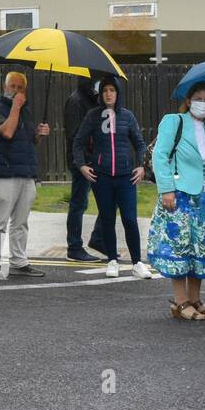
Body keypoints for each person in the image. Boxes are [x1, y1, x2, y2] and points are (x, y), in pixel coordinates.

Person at [146, 81, 205, 321]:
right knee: (179, 248)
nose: (203, 103)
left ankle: (195, 299)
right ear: (188, 100)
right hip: (179, 195)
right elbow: (160, 156)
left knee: (201, 249)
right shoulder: (174, 121)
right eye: (199, 98)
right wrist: (166, 190)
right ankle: (180, 301)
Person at [74, 77, 151, 279]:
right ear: (100, 94)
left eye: (112, 90)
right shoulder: (92, 116)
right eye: (105, 90)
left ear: (118, 93)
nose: (109, 94)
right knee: (107, 219)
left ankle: (137, 262)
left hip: (126, 177)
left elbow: (140, 144)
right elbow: (78, 142)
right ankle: (112, 261)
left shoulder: (127, 116)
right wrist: (82, 165)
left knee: (129, 219)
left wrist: (143, 166)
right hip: (103, 177)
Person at [0, 71, 50, 278]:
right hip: (5, 172)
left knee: (21, 221)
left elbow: (30, 142)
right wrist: (15, 107)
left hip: (26, 171)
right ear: (5, 87)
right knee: (0, 220)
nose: (17, 91)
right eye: (13, 86)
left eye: (21, 88)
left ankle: (18, 260)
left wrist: (39, 134)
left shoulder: (26, 112)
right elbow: (7, 132)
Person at [64, 77, 106, 261]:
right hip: (83, 162)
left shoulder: (93, 100)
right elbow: (75, 135)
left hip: (95, 159)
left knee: (108, 201)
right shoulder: (76, 101)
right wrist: (82, 162)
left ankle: (98, 238)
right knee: (79, 203)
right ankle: (74, 247)